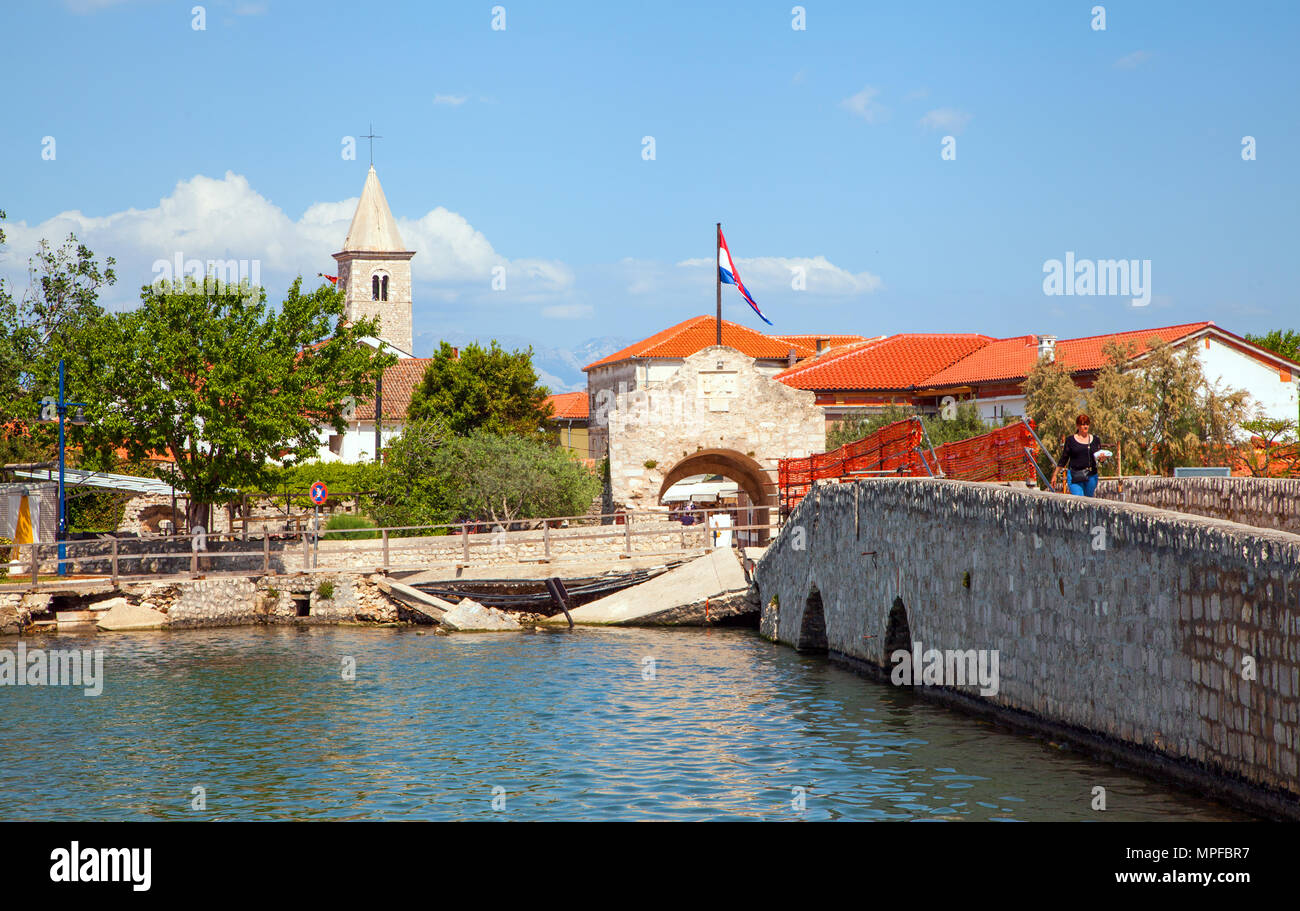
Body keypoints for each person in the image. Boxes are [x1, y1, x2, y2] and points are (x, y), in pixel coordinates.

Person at [1051, 413, 1109, 496]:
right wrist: (1055, 475)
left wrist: (1102, 459)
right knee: (1079, 500)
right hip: (1075, 476)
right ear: (1077, 426)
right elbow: (1064, 458)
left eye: (1087, 424)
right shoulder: (1070, 440)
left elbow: (1099, 459)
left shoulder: (1095, 439)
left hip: (1091, 476)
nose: (1085, 426)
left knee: (1088, 503)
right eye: (1082, 424)